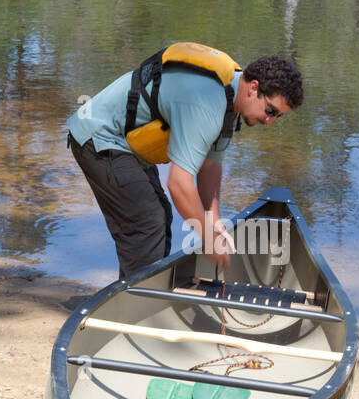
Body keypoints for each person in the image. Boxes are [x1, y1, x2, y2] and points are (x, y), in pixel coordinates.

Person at [67, 45, 303, 279]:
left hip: (127, 144)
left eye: (278, 117)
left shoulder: (231, 98)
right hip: (100, 136)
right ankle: (135, 302)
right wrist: (207, 239)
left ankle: (138, 291)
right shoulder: (206, 104)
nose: (270, 121)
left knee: (160, 216)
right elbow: (179, 184)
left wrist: (213, 219)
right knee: (147, 221)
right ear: (254, 88)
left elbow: (210, 165)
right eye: (270, 111)